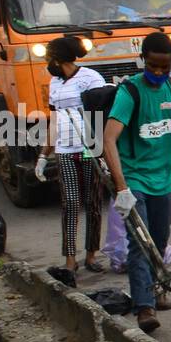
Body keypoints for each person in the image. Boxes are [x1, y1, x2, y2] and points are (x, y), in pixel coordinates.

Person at [102, 31, 171, 334]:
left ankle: (157, 288)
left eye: (165, 67)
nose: (159, 73)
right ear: (142, 61)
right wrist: (121, 189)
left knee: (159, 240)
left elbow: (170, 131)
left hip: (162, 180)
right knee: (140, 242)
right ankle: (144, 306)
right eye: (153, 67)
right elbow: (109, 139)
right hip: (134, 177)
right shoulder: (129, 92)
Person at [36, 35, 106, 278]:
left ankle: (91, 255)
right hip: (65, 150)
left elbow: (102, 114)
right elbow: (54, 119)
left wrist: (104, 150)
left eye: (49, 59)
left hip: (89, 148)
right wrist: (44, 154)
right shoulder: (54, 82)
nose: (48, 63)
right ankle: (69, 260)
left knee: (93, 203)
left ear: (58, 58)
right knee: (71, 204)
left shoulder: (91, 78)